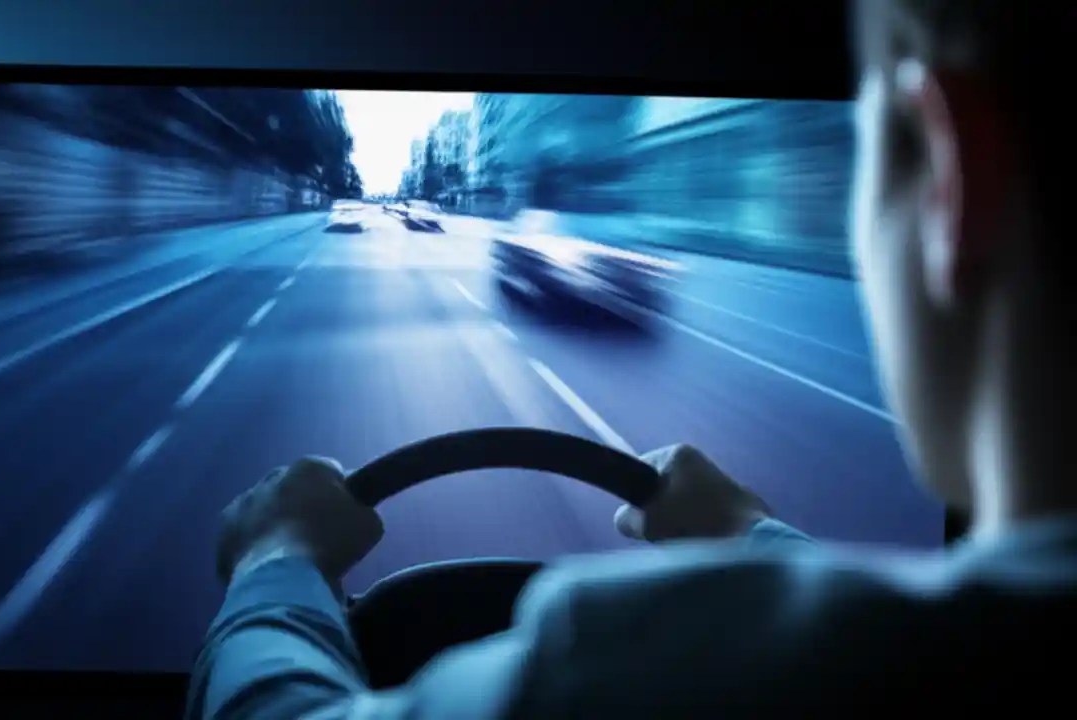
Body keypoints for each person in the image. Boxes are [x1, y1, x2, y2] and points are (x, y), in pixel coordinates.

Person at [186, 2, 1075, 716]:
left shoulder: (614, 671)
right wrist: (757, 547)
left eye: (873, 159)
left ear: (954, 173)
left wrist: (275, 562)